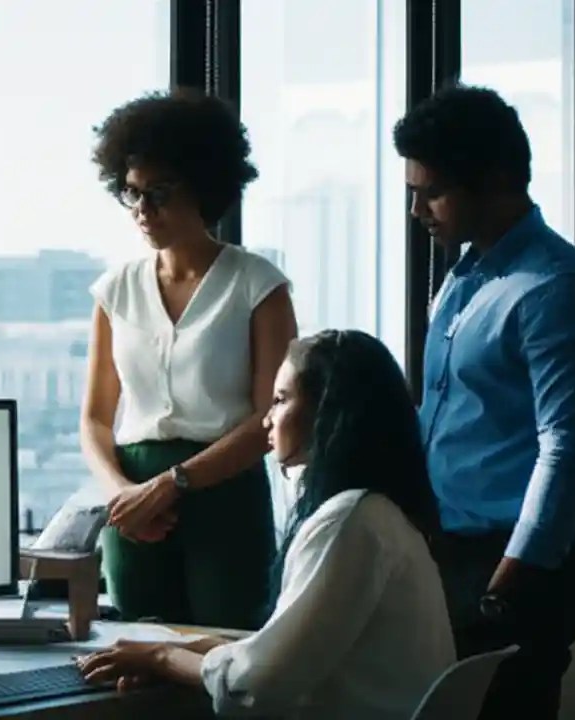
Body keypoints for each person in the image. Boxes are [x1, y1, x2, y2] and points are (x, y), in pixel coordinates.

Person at [393, 84, 575, 718]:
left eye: (431, 191)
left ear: (495, 180)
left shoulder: (557, 290)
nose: (417, 210)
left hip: (515, 561)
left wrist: (510, 579)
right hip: (453, 551)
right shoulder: (463, 277)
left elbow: (571, 450)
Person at [76, 330, 456, 719]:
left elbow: (255, 686)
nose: (267, 420)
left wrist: (161, 656)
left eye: (280, 400)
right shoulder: (379, 514)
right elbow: (279, 653)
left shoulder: (349, 522)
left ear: (327, 409)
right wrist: (195, 650)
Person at [78, 89, 297, 631]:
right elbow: (96, 418)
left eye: (159, 193)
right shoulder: (115, 290)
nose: (143, 211)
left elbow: (269, 418)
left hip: (223, 494)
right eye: (132, 194)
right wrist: (120, 493)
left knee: (223, 663)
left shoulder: (257, 285)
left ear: (202, 186)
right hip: (132, 507)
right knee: (133, 661)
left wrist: (172, 484)